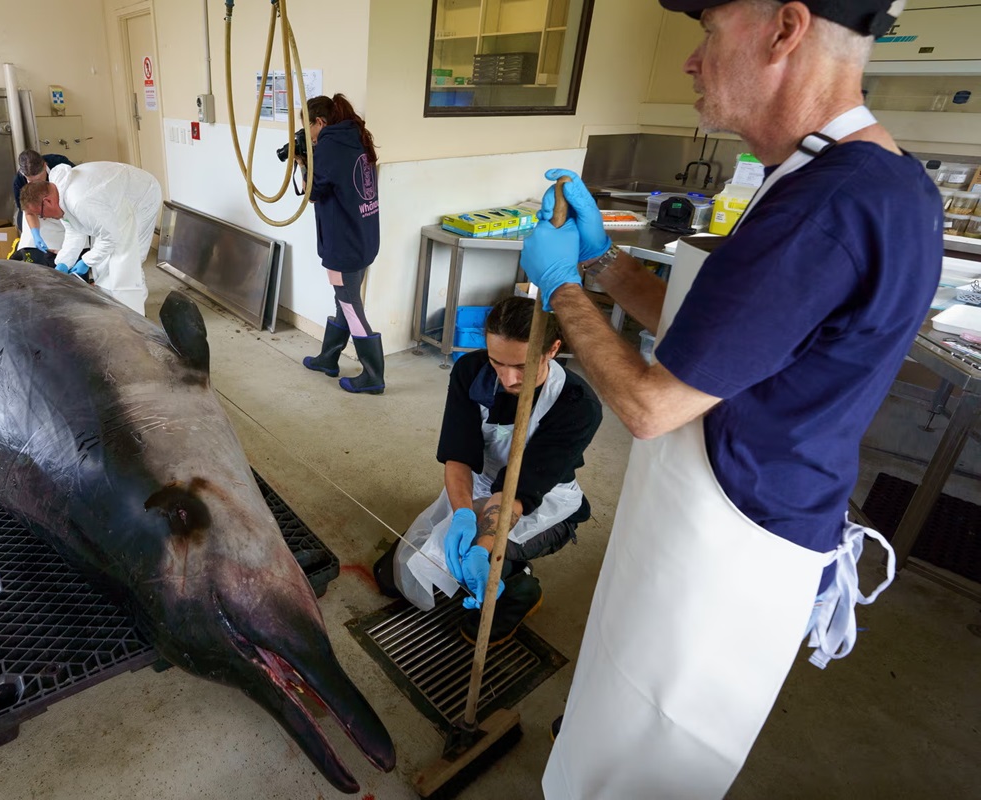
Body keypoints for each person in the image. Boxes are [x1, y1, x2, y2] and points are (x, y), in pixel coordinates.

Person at [518, 2, 942, 797]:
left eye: (709, 33)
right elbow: (726, 340)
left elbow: (650, 406)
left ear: (785, 30)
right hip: (751, 516)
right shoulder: (874, 178)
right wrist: (605, 262)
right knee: (622, 734)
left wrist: (560, 287)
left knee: (650, 755)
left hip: (726, 548)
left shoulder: (825, 207)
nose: (690, 61)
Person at [374, 296, 602, 645]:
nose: (509, 378)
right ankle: (487, 559)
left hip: (537, 502)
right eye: (498, 362)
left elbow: (519, 491)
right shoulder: (471, 372)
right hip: (480, 484)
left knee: (474, 560)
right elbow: (459, 458)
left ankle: (519, 587)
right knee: (392, 577)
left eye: (522, 366)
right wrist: (463, 514)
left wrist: (483, 546)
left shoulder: (576, 405)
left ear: (552, 349)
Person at [296, 94, 384, 395]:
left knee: (349, 303)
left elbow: (313, 191)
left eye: (307, 126)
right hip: (363, 237)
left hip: (343, 243)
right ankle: (328, 359)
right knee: (343, 300)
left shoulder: (330, 146)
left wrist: (304, 163)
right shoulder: (355, 137)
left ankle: (373, 374)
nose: (307, 134)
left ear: (320, 121)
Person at [19, 162, 161, 315]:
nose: (44, 218)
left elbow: (111, 237)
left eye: (41, 214)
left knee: (126, 262)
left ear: (47, 201)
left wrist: (86, 261)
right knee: (103, 264)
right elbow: (75, 230)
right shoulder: (59, 195)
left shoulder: (80, 201)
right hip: (112, 201)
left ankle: (135, 316)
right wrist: (63, 262)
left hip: (140, 197)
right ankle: (115, 306)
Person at [12, 148, 73, 254]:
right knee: (31, 243)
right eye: (31, 181)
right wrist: (36, 234)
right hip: (37, 214)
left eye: (39, 180)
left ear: (45, 166)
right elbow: (28, 212)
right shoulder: (19, 181)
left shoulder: (60, 165)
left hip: (66, 208)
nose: (36, 186)